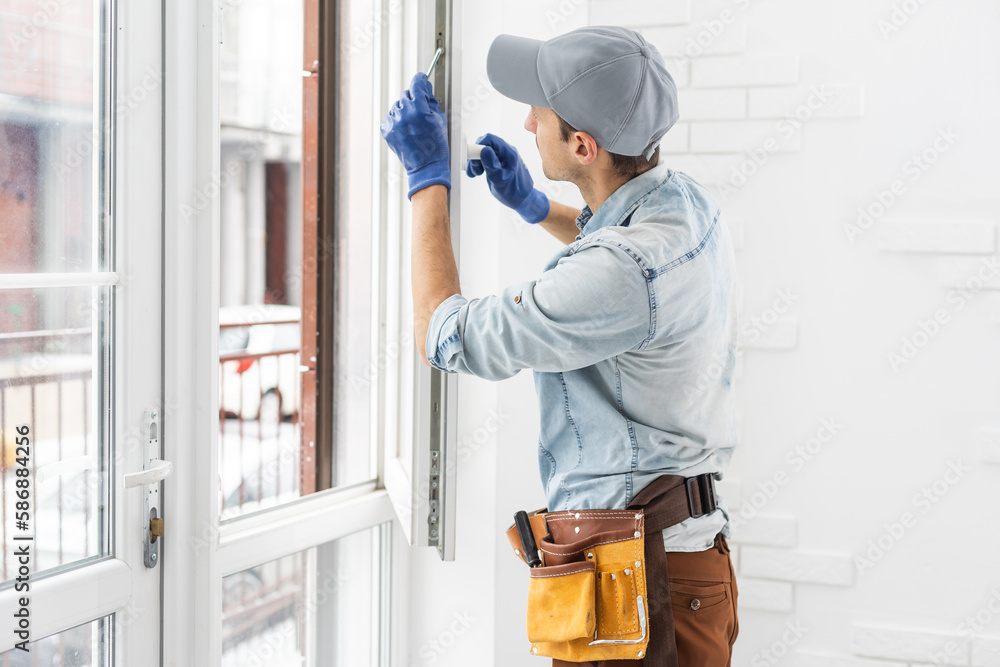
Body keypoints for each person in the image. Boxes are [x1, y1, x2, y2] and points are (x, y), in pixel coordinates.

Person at [381, 25, 739, 666]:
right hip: (679, 565)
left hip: (634, 586)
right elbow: (615, 252)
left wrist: (425, 179)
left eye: (538, 112)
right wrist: (533, 204)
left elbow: (445, 333)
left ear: (582, 144)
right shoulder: (683, 205)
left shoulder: (621, 273)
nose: (525, 123)